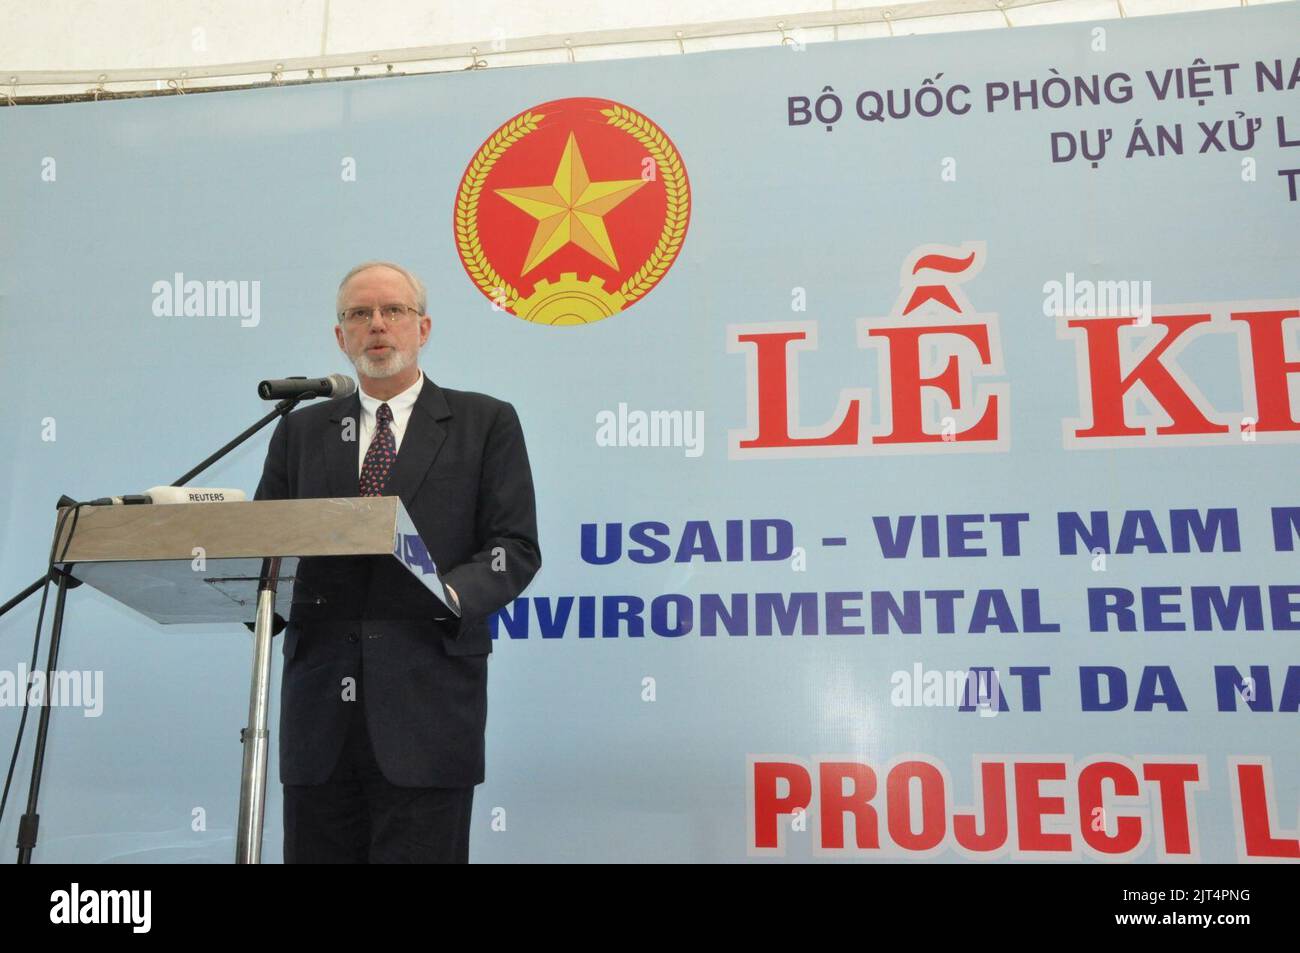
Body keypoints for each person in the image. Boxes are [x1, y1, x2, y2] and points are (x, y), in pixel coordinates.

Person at [254, 260, 541, 863]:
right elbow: (264, 550)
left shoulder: (484, 422)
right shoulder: (299, 433)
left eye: (393, 312)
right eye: (359, 315)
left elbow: (513, 547)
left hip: (427, 702)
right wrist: (256, 598)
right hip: (319, 714)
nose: (377, 325)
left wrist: (452, 594)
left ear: (423, 328)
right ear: (340, 337)